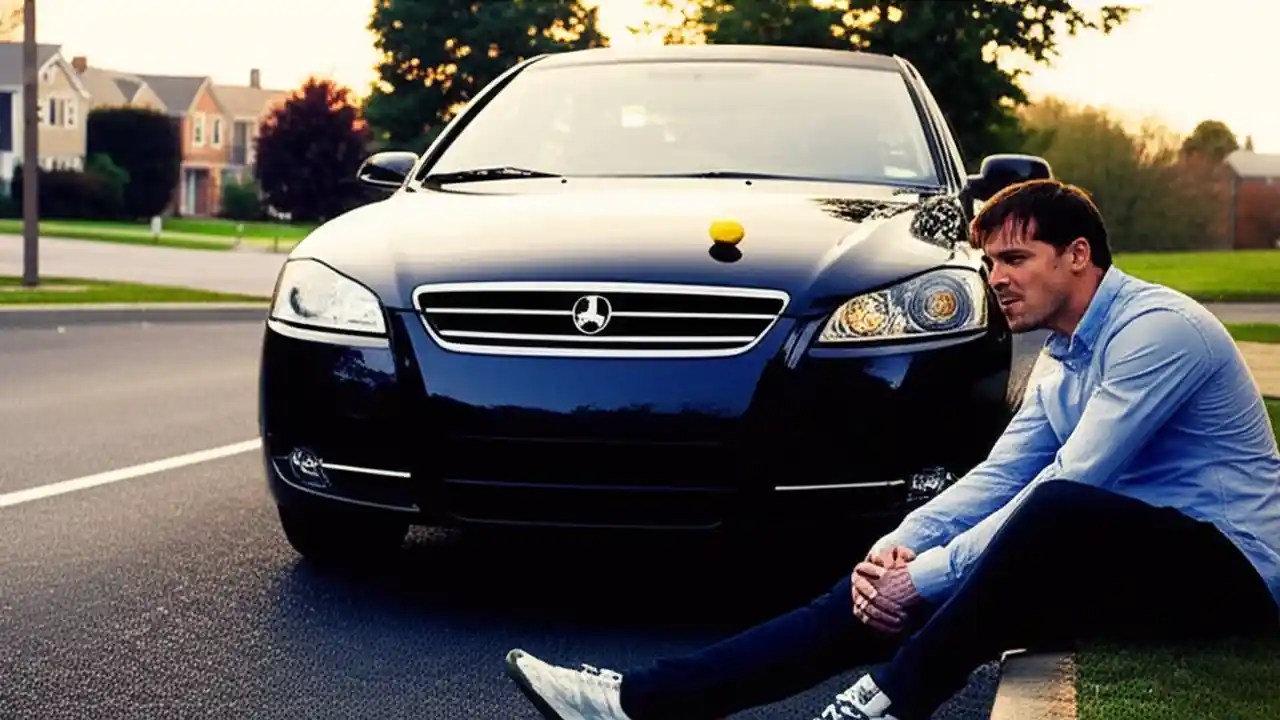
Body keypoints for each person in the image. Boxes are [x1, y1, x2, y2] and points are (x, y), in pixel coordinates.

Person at [502, 178, 1280, 720]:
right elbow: (1001, 471)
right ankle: (645, 702)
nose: (996, 279)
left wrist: (927, 577)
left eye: (1015, 260)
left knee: (1053, 512)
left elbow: (1074, 479)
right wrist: (897, 551)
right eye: (988, 264)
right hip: (1121, 559)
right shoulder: (1065, 350)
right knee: (898, 585)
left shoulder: (1158, 332)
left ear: (1078, 255)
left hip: (1231, 570)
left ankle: (892, 697)